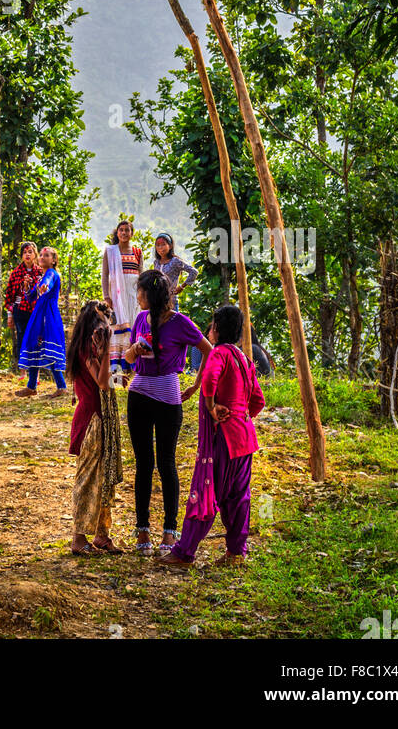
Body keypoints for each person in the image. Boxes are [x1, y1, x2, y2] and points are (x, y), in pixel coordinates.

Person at [162, 303, 266, 567]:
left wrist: (211, 406)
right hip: (245, 439)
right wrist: (241, 417)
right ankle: (235, 553)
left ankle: (184, 552)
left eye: (211, 325)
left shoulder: (219, 354)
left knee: (207, 491)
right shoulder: (244, 358)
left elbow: (209, 380)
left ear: (216, 329)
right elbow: (258, 401)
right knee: (239, 497)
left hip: (224, 439)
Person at [124, 269, 212, 556]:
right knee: (143, 465)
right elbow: (127, 358)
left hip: (168, 398)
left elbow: (210, 352)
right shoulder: (140, 319)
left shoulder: (180, 322)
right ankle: (142, 530)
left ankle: (170, 531)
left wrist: (197, 385)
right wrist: (134, 352)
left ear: (150, 294)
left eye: (139, 291)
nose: (137, 297)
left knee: (166, 464)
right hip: (138, 395)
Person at [68, 301, 124, 555]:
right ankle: (78, 539)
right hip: (92, 422)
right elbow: (103, 383)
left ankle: (102, 535)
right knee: (88, 479)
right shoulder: (87, 349)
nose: (105, 329)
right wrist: (109, 346)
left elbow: (112, 380)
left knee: (104, 479)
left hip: (103, 419)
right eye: (103, 325)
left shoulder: (95, 348)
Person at [17, 246, 67, 398]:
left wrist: (45, 286)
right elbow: (31, 297)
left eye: (47, 255)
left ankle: (61, 386)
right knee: (36, 347)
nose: (43, 257)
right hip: (39, 314)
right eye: (42, 255)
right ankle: (32, 387)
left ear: (54, 260)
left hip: (48, 316)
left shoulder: (51, 273)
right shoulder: (41, 277)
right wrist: (26, 288)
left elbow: (48, 283)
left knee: (46, 348)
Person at [101, 219, 144, 387]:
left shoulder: (137, 252)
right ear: (117, 233)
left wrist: (142, 295)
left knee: (134, 326)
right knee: (117, 329)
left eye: (127, 230)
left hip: (134, 296)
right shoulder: (110, 252)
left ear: (132, 233)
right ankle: (117, 370)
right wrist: (106, 296)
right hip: (116, 297)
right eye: (121, 230)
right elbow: (105, 275)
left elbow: (141, 275)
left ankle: (133, 367)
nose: (124, 233)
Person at [4, 241, 41, 371]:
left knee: (36, 340)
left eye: (30, 252)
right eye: (24, 252)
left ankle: (34, 372)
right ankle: (23, 371)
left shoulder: (40, 272)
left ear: (35, 255)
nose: (27, 255)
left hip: (36, 312)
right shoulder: (15, 273)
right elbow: (9, 296)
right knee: (22, 339)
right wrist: (10, 315)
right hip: (20, 311)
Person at [152, 232, 198, 300]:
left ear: (170, 246)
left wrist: (182, 287)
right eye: (158, 245)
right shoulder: (156, 262)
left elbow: (194, 272)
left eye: (163, 244)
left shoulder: (175, 261)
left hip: (171, 300)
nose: (160, 247)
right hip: (158, 300)